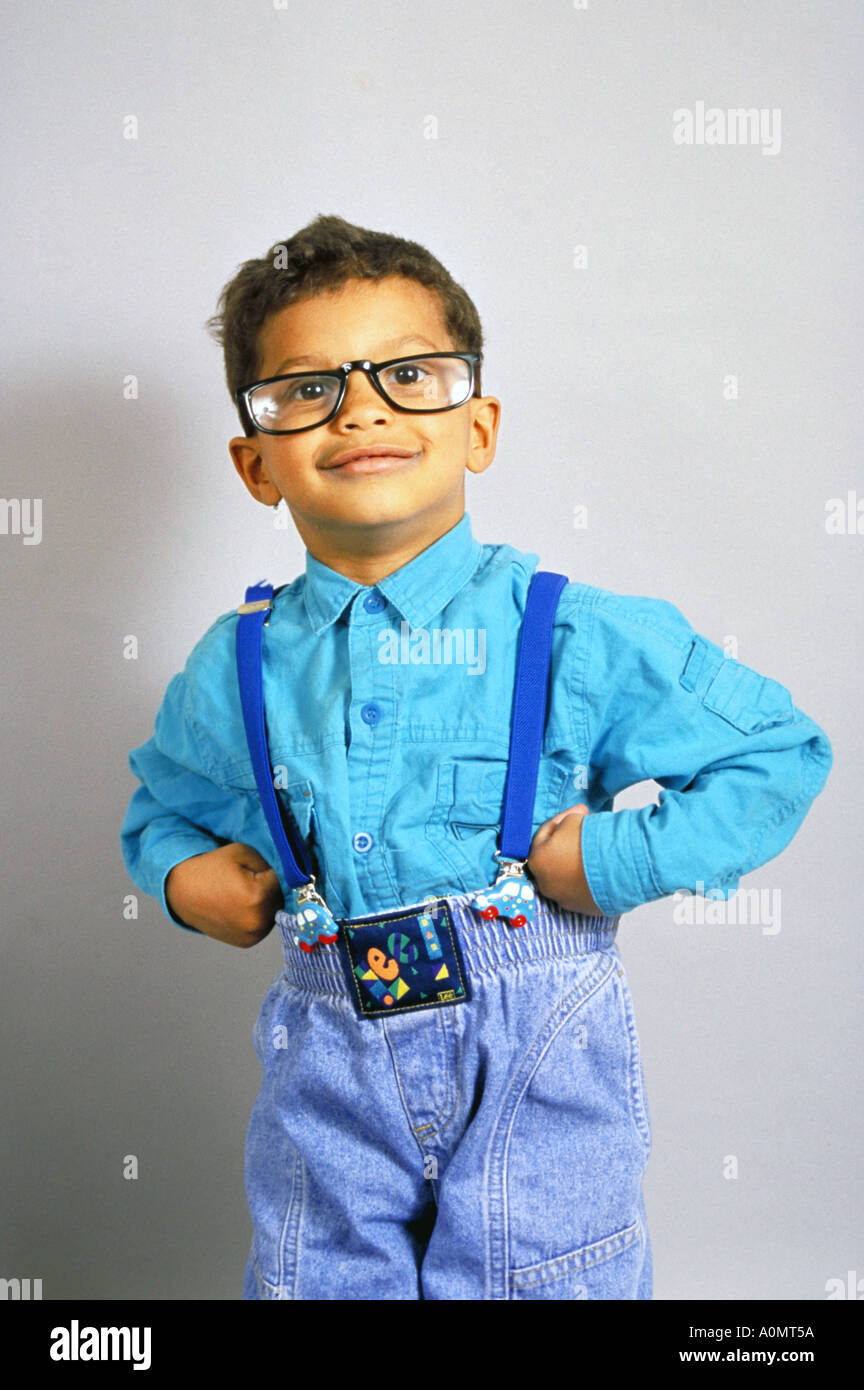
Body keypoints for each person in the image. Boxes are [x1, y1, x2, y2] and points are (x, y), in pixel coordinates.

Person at [120, 214, 833, 1300]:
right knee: (314, 1281)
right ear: (254, 462)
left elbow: (782, 754)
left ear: (479, 426)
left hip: (534, 1067)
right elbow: (159, 809)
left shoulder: (578, 633)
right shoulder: (237, 664)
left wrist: (619, 860)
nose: (360, 406)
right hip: (328, 1070)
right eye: (305, 390)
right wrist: (180, 877)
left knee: (545, 1282)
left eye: (410, 374)